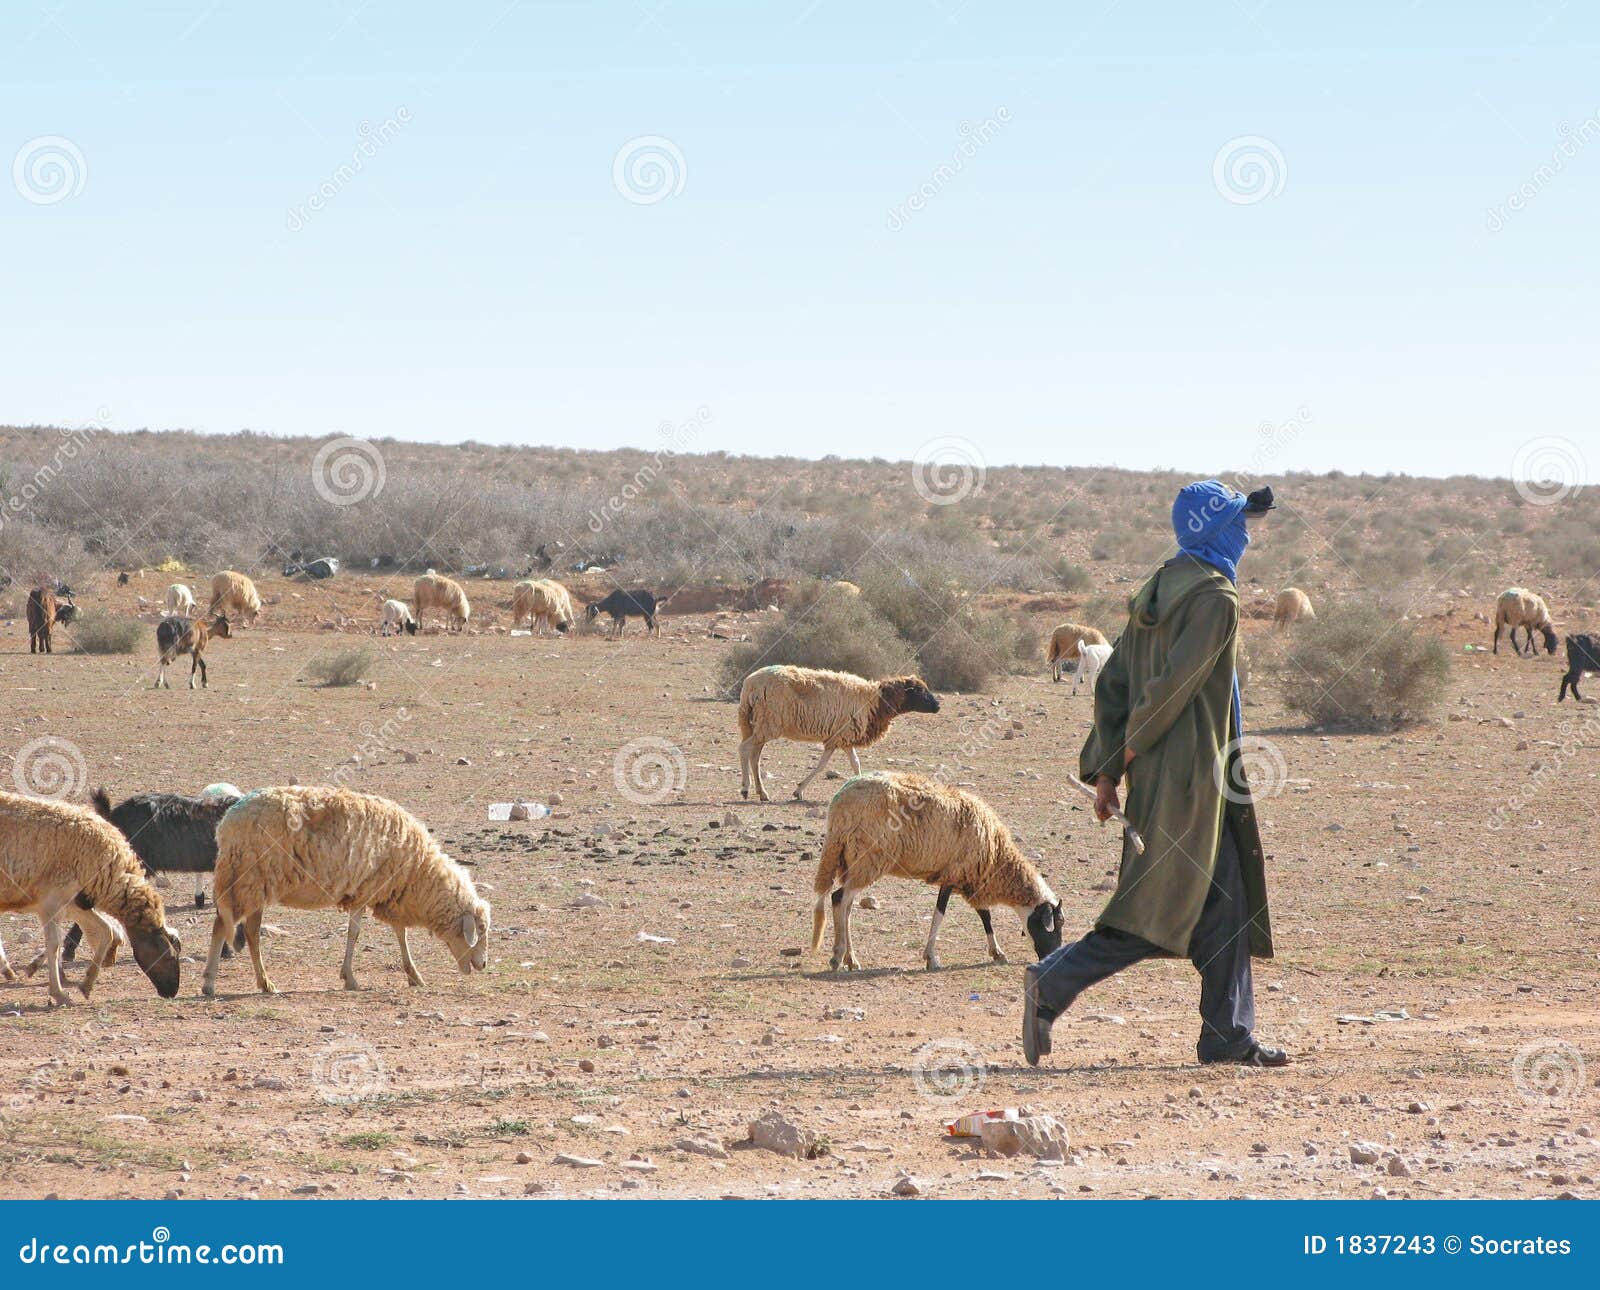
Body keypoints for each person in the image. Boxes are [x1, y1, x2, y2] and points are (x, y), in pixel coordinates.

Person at [1022, 480, 1286, 1067]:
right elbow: (1171, 691)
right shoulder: (1216, 597)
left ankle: (1228, 1036)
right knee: (1156, 905)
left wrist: (1109, 768)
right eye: (1239, 523)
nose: (1247, 532)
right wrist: (1130, 753)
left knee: (1225, 904)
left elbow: (1114, 683)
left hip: (1176, 776)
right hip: (1192, 776)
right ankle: (1053, 980)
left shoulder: (1160, 586)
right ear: (1219, 531)